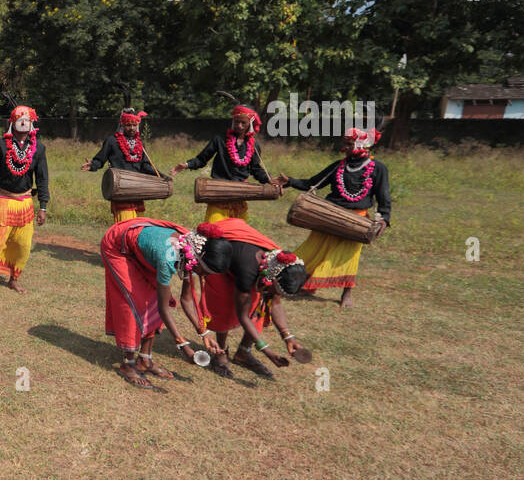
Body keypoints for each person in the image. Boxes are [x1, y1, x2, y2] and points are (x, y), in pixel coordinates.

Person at [99, 218, 231, 388]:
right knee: (137, 304)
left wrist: (204, 334)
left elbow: (187, 299)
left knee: (154, 298)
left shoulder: (192, 249)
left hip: (143, 249)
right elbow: (163, 309)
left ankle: (144, 360)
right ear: (200, 258)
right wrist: (183, 345)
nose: (204, 276)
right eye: (205, 271)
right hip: (118, 247)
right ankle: (128, 364)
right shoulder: (167, 256)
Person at [274, 127, 391, 307]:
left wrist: (383, 219)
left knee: (349, 256)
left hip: (357, 219)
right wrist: (290, 181)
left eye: (349, 144)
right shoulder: (339, 165)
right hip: (328, 214)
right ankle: (295, 279)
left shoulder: (378, 168)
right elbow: (312, 183)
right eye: (344, 143)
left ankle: (346, 293)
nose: (344, 147)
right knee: (314, 248)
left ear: (362, 144)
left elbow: (383, 197)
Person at [181, 219, 310, 379]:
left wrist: (288, 338)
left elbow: (274, 302)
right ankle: (221, 353)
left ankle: (244, 352)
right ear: (272, 279)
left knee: (261, 302)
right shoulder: (248, 270)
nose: (274, 294)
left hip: (243, 249)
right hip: (224, 248)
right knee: (225, 304)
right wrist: (266, 350)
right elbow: (242, 315)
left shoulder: (280, 265)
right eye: (274, 289)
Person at [0, 105, 51, 293]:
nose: (23, 123)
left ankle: (13, 279)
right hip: (2, 201)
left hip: (25, 204)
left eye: (27, 120)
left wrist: (43, 206)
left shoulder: (39, 148)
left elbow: (42, 178)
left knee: (22, 245)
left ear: (32, 124)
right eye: (20, 120)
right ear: (11, 123)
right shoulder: (0, 145)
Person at [171, 104, 278, 221]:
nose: (239, 126)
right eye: (236, 122)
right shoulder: (220, 139)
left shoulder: (254, 145)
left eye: (243, 123)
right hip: (218, 192)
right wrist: (187, 164)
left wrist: (269, 180)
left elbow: (256, 169)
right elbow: (202, 159)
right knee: (214, 230)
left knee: (237, 234)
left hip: (240, 194)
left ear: (250, 124)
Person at [82, 109, 165, 221]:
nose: (131, 128)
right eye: (128, 125)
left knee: (138, 224)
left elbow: (145, 166)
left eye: (134, 125)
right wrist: (92, 165)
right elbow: (100, 160)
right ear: (122, 125)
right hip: (120, 188)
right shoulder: (112, 141)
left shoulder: (140, 144)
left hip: (137, 189)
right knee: (125, 224)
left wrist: (161, 176)